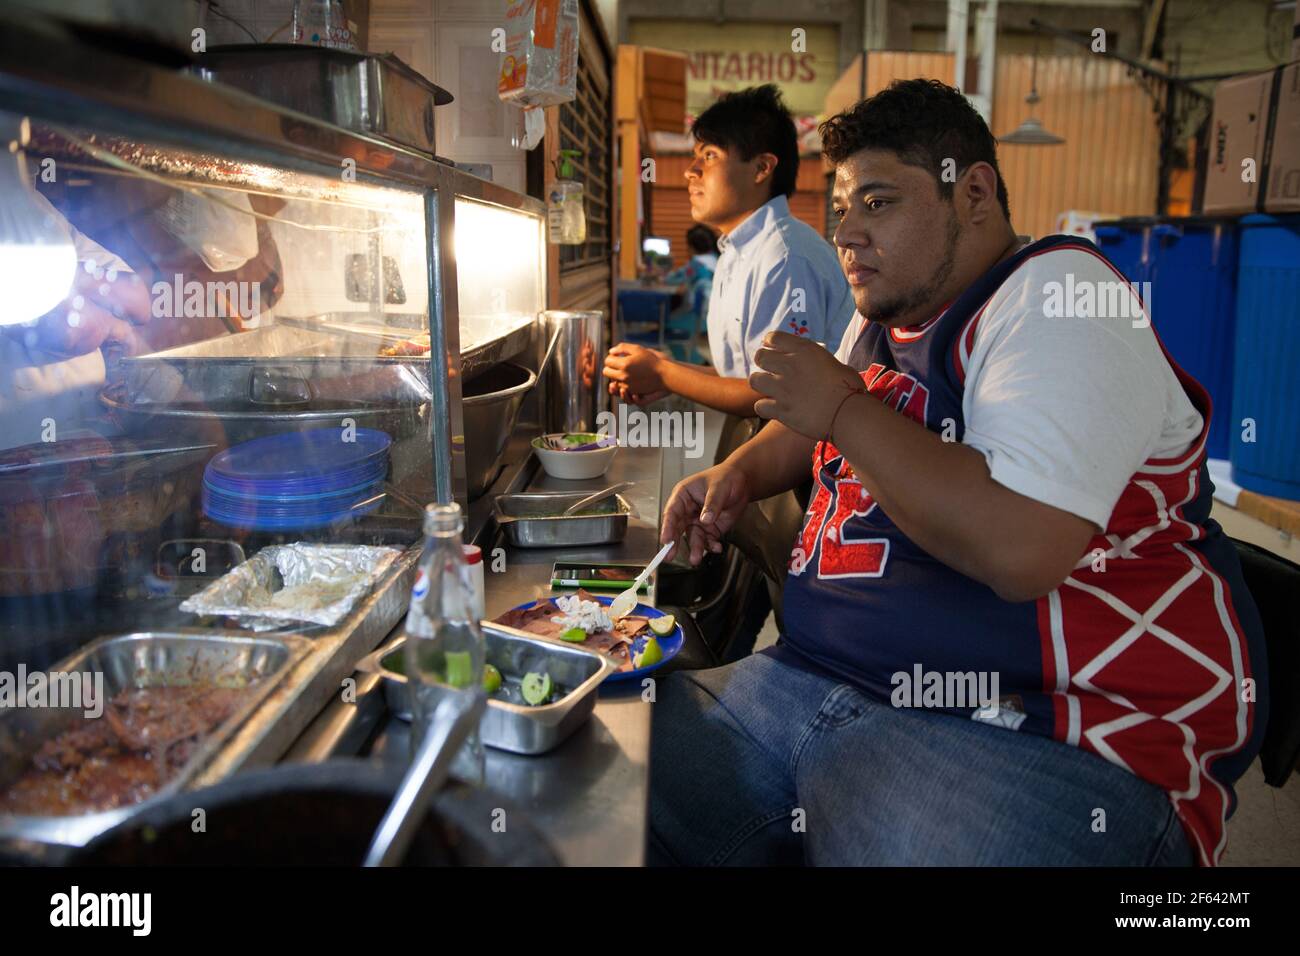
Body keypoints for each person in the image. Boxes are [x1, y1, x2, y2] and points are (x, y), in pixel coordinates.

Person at [650, 79, 1267, 866]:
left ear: (972, 192)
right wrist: (737, 472)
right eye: (841, 208)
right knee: (587, 769)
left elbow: (1019, 547)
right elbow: (802, 432)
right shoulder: (889, 320)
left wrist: (840, 408)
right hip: (804, 684)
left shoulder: (1058, 297)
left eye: (878, 202)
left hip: (1029, 735)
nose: (848, 233)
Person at [604, 85, 854, 413]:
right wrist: (664, 372)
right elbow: (741, 376)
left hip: (804, 455)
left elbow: (777, 394)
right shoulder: (737, 251)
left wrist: (665, 372)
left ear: (762, 168)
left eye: (709, 156)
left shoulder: (785, 258)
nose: (690, 171)